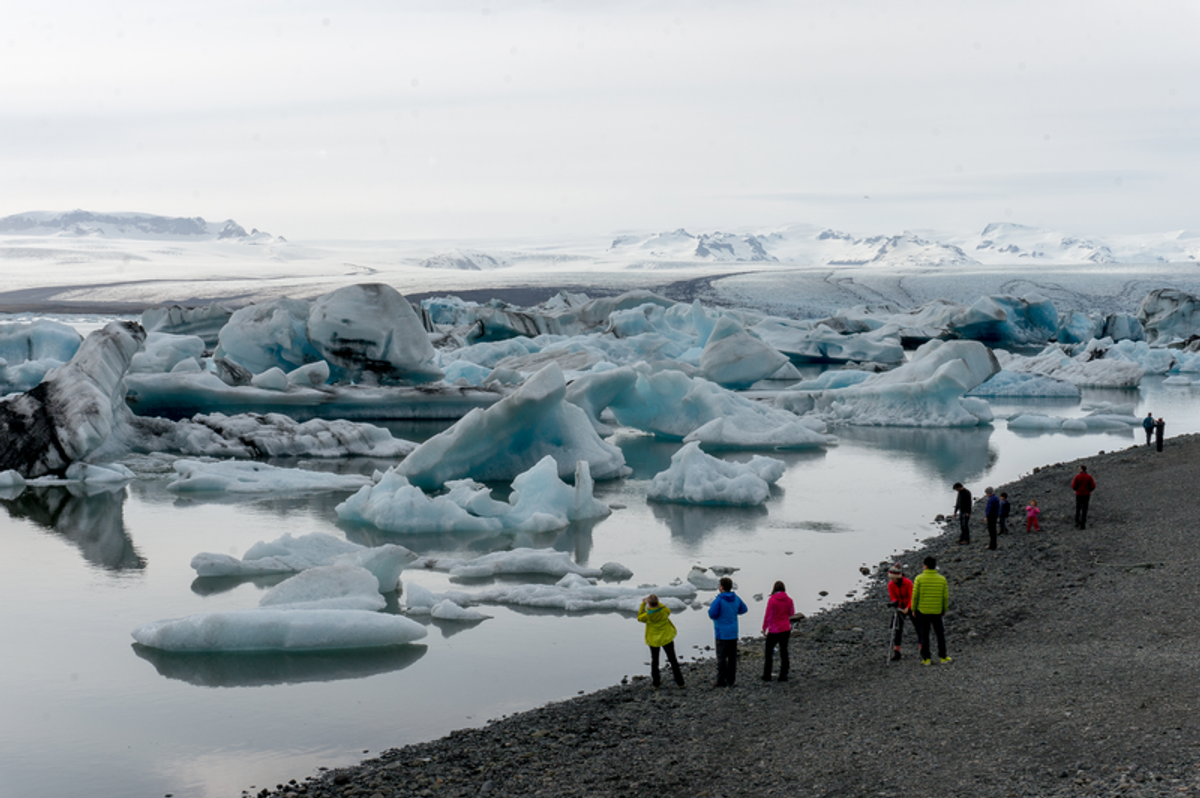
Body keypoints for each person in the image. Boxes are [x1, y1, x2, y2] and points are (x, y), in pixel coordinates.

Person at [638, 594, 685, 688]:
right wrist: (657, 603)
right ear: (657, 602)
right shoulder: (664, 610)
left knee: (655, 661)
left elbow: (639, 617)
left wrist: (643, 604)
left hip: (654, 640)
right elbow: (667, 610)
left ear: (649, 604)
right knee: (673, 660)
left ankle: (656, 683)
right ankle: (680, 683)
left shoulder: (648, 615)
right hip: (666, 637)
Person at [708, 576, 748, 687]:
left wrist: (720, 617)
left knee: (721, 658)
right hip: (733, 632)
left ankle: (721, 680)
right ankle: (731, 680)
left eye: (719, 585)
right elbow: (744, 609)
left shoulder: (719, 600)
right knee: (732, 657)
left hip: (721, 633)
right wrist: (733, 612)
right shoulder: (736, 598)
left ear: (722, 587)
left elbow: (712, 614)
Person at [911, 555, 950, 665]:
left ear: (926, 566)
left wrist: (914, 609)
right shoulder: (942, 579)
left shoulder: (919, 578)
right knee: (940, 634)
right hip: (937, 611)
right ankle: (943, 656)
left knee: (924, 634)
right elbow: (945, 597)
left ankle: (926, 658)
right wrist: (944, 609)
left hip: (923, 611)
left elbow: (915, 596)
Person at [761, 581, 795, 681]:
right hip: (785, 628)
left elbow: (768, 615)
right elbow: (791, 613)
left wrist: (764, 628)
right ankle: (784, 674)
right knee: (784, 651)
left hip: (774, 630)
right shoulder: (789, 600)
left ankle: (767, 675)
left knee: (769, 652)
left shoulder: (772, 600)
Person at [886, 564, 915, 662]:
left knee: (919, 627)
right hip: (899, 608)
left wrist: (909, 607)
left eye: (893, 578)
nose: (892, 580)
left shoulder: (908, 583)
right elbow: (893, 597)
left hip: (910, 606)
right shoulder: (891, 585)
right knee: (897, 630)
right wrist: (895, 603)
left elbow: (913, 597)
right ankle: (897, 652)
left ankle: (923, 649)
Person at [1071, 465, 1096, 530]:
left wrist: (1077, 490)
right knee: (1085, 509)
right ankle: (1083, 524)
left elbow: (1073, 486)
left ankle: (1077, 521)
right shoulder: (1089, 477)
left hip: (1079, 494)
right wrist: (1089, 490)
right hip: (1086, 494)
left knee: (1078, 508)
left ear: (1081, 469)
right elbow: (1093, 486)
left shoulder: (1077, 477)